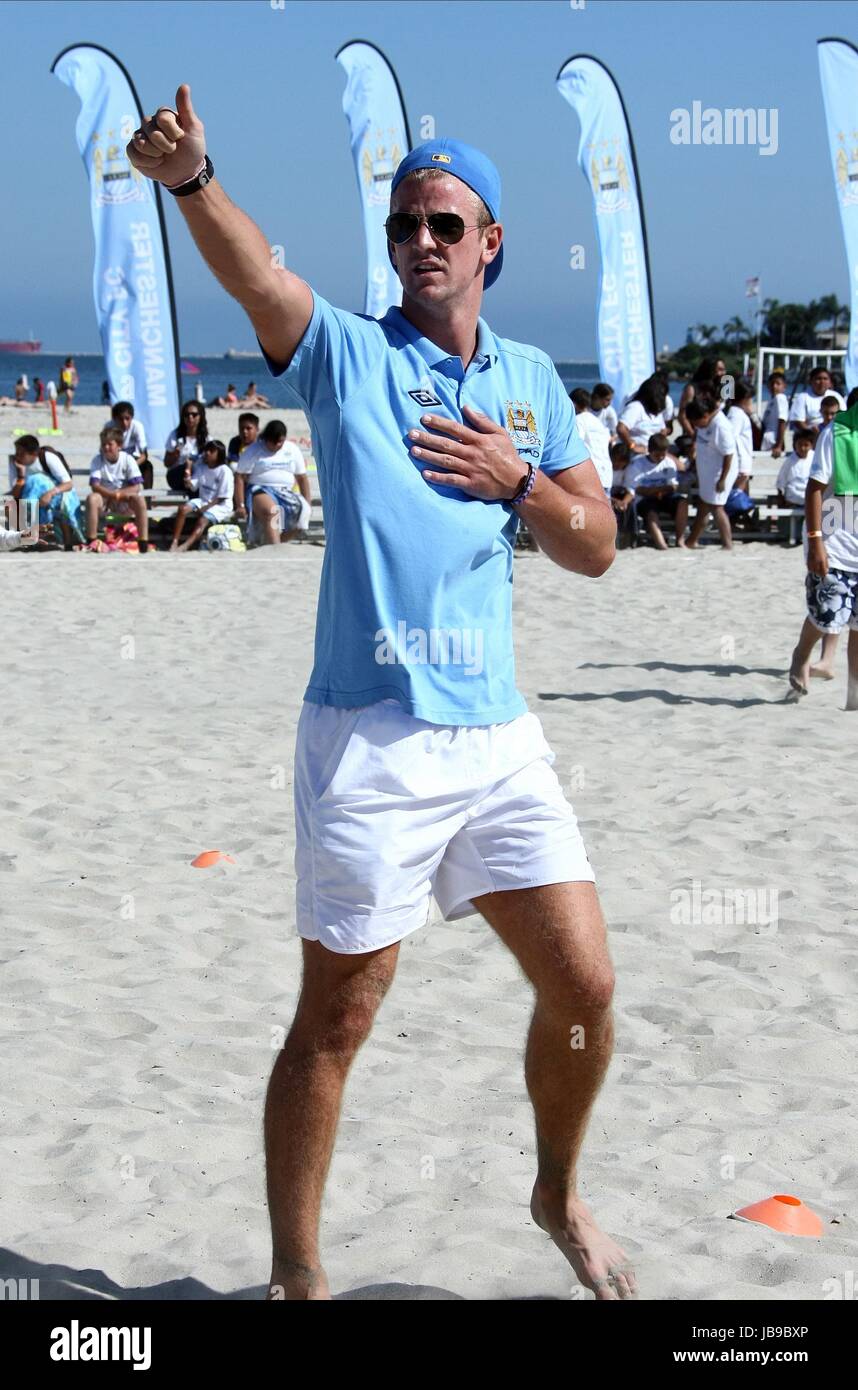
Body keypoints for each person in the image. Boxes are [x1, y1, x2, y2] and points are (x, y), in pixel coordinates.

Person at [129, 90, 631, 1302]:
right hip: (373, 739)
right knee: (337, 1021)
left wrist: (521, 484)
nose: (422, 242)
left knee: (586, 987)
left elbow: (598, 543)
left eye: (446, 224)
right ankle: (300, 1277)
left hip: (500, 738)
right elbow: (260, 283)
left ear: (491, 241)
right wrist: (195, 181)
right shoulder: (350, 355)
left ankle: (556, 1187)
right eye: (406, 224)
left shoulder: (529, 384)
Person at [787, 389, 858, 706]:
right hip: (834, 542)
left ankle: (854, 699)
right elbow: (814, 489)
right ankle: (802, 653)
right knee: (826, 617)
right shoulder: (837, 432)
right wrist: (816, 541)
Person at [234, 419, 312, 544]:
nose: (276, 445)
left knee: (303, 514)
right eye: (273, 442)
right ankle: (274, 548)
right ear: (266, 439)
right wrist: (240, 505)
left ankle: (274, 543)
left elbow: (302, 478)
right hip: (260, 489)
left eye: (280, 442)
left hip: (286, 491)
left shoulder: (292, 449)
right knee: (272, 511)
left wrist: (307, 502)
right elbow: (239, 477)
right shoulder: (253, 450)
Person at [684, 391, 738, 549]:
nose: (696, 426)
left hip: (720, 472)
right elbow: (700, 439)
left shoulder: (721, 426)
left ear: (706, 415)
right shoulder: (704, 422)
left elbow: (729, 454)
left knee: (717, 506)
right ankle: (692, 541)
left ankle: (727, 544)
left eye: (697, 422)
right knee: (704, 505)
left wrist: (722, 479)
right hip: (707, 471)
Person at [10, 435, 84, 549]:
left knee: (39, 482)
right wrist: (21, 475)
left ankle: (67, 541)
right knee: (25, 495)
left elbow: (68, 483)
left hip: (58, 492)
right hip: (30, 499)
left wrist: (50, 493)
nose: (17, 456)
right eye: (16, 453)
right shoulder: (15, 463)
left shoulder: (46, 457)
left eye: (21, 453)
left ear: (34, 454)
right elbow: (15, 494)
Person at [85, 426, 150, 552]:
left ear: (119, 445)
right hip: (105, 499)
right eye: (104, 444)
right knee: (92, 499)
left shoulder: (127, 459)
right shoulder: (98, 460)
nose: (106, 447)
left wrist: (118, 494)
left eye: (110, 444)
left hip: (124, 499)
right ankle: (91, 540)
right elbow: (95, 486)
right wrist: (112, 495)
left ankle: (143, 542)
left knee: (140, 500)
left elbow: (136, 487)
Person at [624, 431, 689, 549]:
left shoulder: (669, 463)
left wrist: (655, 490)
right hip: (645, 500)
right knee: (651, 512)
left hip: (664, 496)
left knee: (682, 502)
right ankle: (661, 544)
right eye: (657, 455)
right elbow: (636, 489)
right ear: (649, 450)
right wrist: (657, 490)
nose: (660, 458)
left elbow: (673, 486)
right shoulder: (637, 464)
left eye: (663, 455)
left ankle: (680, 540)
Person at [170, 439, 235, 550]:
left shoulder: (225, 471)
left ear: (219, 453)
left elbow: (222, 497)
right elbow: (191, 485)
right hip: (204, 500)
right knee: (182, 509)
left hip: (220, 505)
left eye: (211, 451)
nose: (207, 453)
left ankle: (185, 545)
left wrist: (206, 507)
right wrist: (188, 469)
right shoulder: (202, 468)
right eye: (206, 450)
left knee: (202, 520)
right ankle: (174, 541)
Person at [570, 388, 612, 492]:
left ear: (573, 404)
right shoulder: (598, 422)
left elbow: (575, 446)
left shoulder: (578, 420)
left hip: (591, 477)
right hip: (606, 475)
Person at [104, 401, 151, 491]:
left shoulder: (137, 426)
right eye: (121, 419)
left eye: (127, 418)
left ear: (132, 417)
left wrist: (132, 465)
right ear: (114, 419)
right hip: (114, 460)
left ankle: (148, 496)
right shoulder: (109, 427)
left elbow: (144, 455)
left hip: (133, 461)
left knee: (147, 467)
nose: (124, 423)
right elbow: (104, 451)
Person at [788, 366, 846, 440]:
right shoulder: (802, 397)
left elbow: (844, 416)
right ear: (811, 381)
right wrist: (815, 433)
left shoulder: (836, 396)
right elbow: (798, 422)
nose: (822, 382)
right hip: (810, 437)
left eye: (825, 379)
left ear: (830, 382)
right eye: (818, 379)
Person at [164, 400, 209, 494]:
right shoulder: (175, 435)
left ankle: (193, 505)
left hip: (198, 476)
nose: (190, 417)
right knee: (191, 468)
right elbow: (167, 463)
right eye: (186, 415)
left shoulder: (206, 439)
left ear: (201, 416)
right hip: (177, 475)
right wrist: (175, 454)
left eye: (194, 414)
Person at [617, 376, 667, 454]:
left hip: (655, 451)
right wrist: (632, 446)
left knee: (680, 465)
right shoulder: (636, 407)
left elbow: (663, 429)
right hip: (640, 452)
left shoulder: (655, 409)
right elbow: (621, 429)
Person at [678, 358, 725, 434]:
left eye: (723, 370)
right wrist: (693, 435)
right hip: (697, 435)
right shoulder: (692, 389)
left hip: (716, 434)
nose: (723, 373)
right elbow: (682, 416)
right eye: (720, 369)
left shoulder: (719, 388)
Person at [772, 428, 815, 508]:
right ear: (795, 444)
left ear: (811, 445)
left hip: (809, 493)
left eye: (806, 445)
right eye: (800, 444)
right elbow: (781, 480)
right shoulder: (789, 461)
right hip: (793, 495)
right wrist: (780, 496)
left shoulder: (815, 458)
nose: (802, 448)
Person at [726, 380, 755, 492]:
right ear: (745, 398)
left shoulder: (738, 413)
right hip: (740, 464)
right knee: (737, 499)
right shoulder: (736, 414)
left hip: (742, 464)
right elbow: (731, 438)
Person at [760, 369, 788, 457]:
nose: (774, 386)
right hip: (767, 438)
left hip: (774, 440)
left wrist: (779, 445)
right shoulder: (772, 401)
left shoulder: (780, 398)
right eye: (772, 384)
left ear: (784, 386)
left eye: (778, 384)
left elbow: (782, 421)